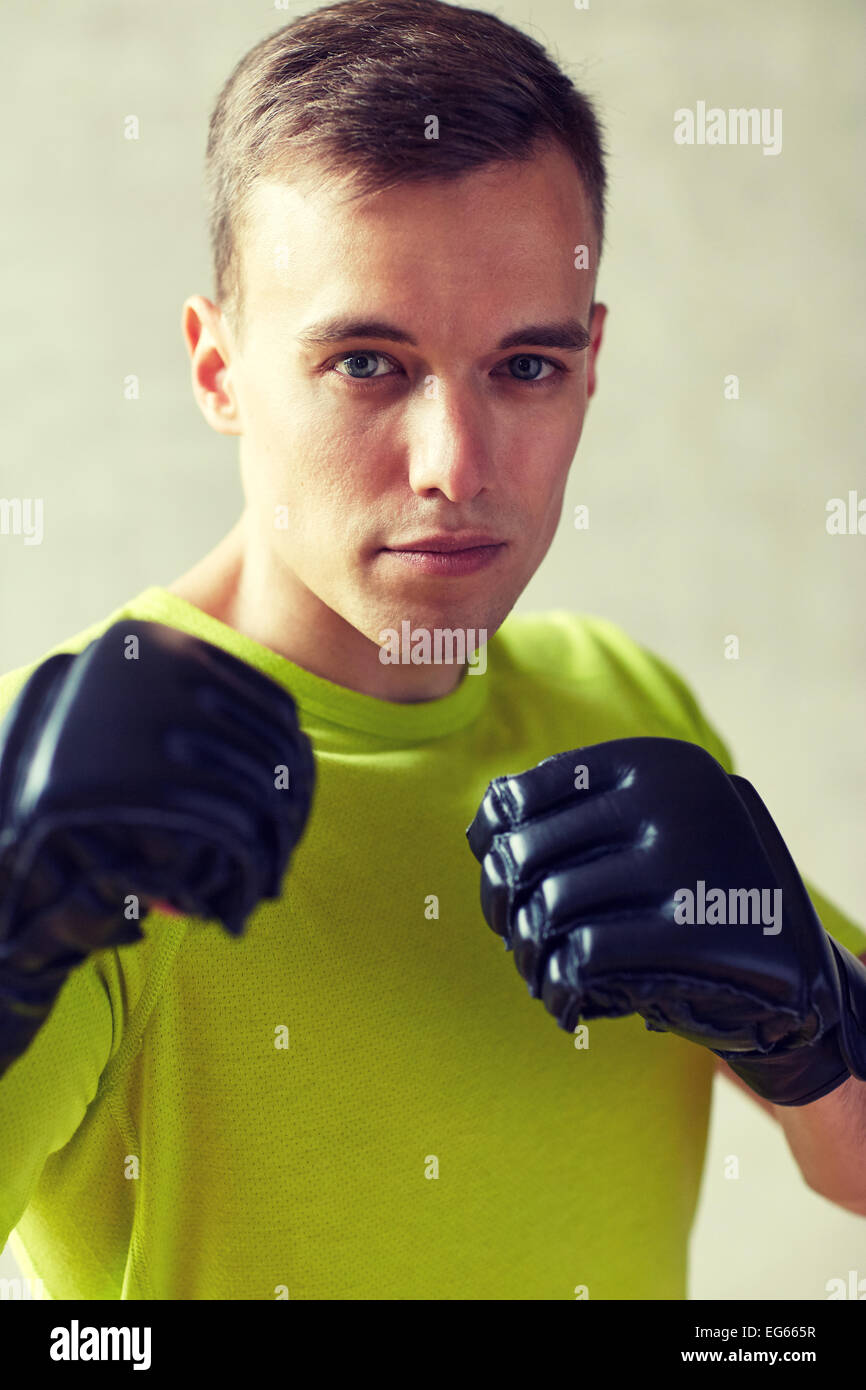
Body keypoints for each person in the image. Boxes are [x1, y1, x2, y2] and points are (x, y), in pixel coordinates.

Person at [1, 0, 864, 1302]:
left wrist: (818, 1015)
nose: (454, 468)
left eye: (523, 364)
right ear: (218, 366)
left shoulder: (620, 702)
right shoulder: (87, 780)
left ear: (589, 366)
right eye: (365, 361)